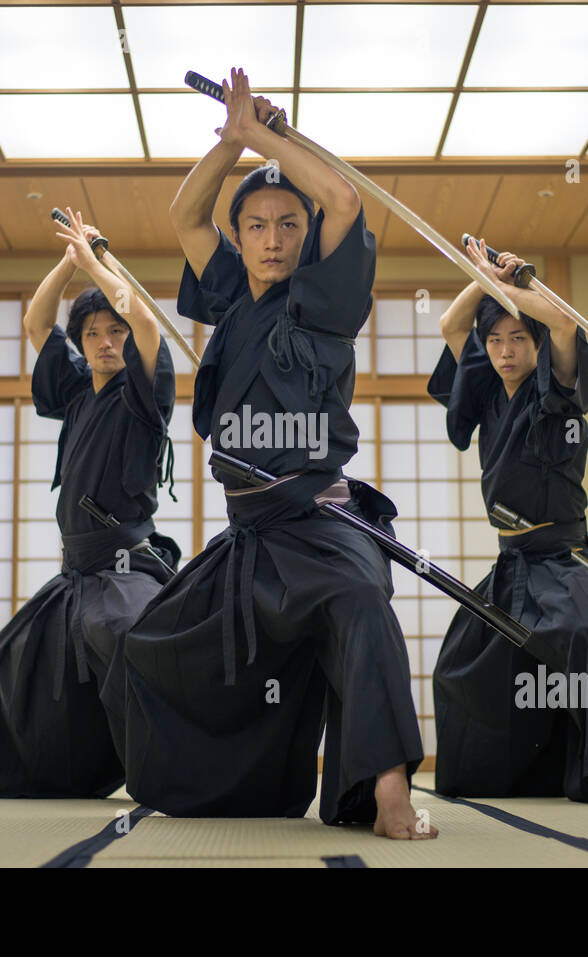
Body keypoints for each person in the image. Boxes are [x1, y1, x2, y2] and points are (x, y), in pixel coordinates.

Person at [122, 69, 433, 839]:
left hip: (318, 518)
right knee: (147, 645)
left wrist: (269, 139)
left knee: (364, 605)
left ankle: (388, 790)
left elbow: (346, 200)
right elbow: (185, 212)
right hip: (248, 532)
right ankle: (233, 782)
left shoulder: (325, 298)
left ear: (306, 235)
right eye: (256, 224)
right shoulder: (230, 293)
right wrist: (234, 141)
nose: (270, 237)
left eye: (287, 223)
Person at [0, 210, 177, 798]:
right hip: (75, 571)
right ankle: (63, 776)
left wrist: (99, 265)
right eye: (93, 335)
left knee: (127, 635)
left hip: (126, 563)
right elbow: (37, 324)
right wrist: (68, 263)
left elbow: (145, 322)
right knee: (10, 657)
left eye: (115, 332)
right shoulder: (78, 391)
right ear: (82, 344)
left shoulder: (145, 389)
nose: (107, 342)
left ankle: (160, 773)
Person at [426, 239, 588, 807]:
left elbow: (564, 322)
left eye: (517, 337)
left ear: (535, 344)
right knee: (459, 661)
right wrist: (482, 276)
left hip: (565, 560)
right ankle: (495, 779)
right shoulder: (487, 392)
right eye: (494, 340)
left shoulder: (558, 393)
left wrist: (515, 281)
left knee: (574, 639)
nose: (504, 351)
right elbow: (451, 322)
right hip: (511, 563)